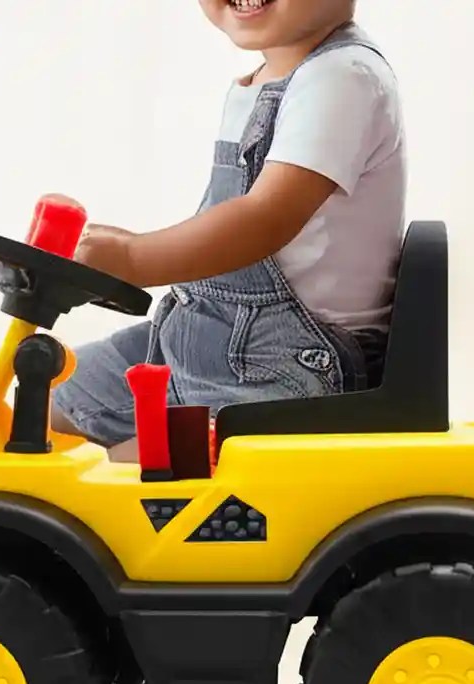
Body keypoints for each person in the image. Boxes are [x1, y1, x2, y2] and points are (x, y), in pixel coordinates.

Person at [54, 0, 407, 461]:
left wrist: (133, 258)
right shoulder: (269, 81)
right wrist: (110, 247)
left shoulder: (343, 78)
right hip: (202, 336)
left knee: (121, 471)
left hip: (284, 371)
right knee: (46, 409)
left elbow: (265, 219)